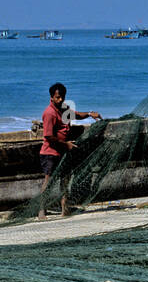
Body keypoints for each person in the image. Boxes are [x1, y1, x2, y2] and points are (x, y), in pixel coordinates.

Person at [38, 83, 101, 220]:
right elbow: (48, 136)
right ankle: (41, 211)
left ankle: (64, 209)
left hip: (63, 152)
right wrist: (66, 144)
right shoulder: (49, 113)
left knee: (65, 181)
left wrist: (90, 114)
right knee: (48, 182)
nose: (60, 100)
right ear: (52, 97)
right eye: (58, 97)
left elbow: (76, 115)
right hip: (50, 152)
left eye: (62, 97)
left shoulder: (63, 109)